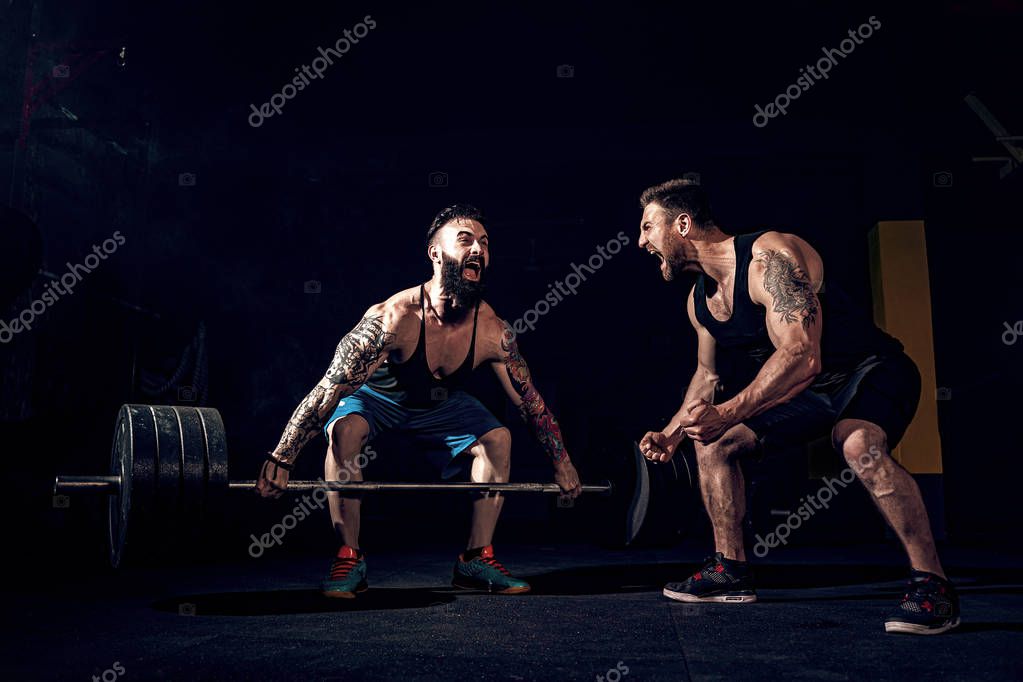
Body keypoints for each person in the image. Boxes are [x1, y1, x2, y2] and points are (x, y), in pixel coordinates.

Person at [636, 178, 959, 635]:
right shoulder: (699, 302)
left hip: (869, 371)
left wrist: (727, 412)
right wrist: (673, 433)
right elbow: (706, 378)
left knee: (857, 442)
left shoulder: (770, 257)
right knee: (714, 442)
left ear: (682, 224)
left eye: (648, 228)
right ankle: (730, 569)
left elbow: (803, 355)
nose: (640, 241)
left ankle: (934, 586)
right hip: (805, 391)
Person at [255, 204, 582, 597]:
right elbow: (330, 389)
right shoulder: (394, 318)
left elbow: (531, 405)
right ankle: (349, 557)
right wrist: (282, 456)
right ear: (435, 253)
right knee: (345, 429)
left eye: (484, 242)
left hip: (439, 408)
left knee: (498, 439)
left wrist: (562, 462)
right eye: (465, 240)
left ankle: (475, 558)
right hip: (375, 399)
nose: (478, 248)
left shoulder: (494, 332)